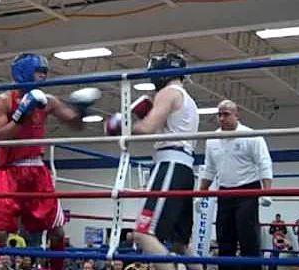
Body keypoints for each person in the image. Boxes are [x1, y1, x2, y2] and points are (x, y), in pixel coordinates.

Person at [0, 53, 101, 270]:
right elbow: (0, 136)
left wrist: (81, 109)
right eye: (39, 72)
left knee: (58, 231)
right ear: (24, 72)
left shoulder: (48, 101)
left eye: (45, 73)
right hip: (9, 171)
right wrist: (21, 114)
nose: (43, 77)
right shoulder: (1, 101)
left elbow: (75, 125)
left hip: (36, 169)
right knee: (0, 231)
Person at [105, 53, 200, 270]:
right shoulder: (188, 99)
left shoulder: (168, 93)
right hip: (185, 169)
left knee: (143, 234)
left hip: (170, 165)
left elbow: (147, 128)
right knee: (180, 244)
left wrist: (121, 126)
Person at [198, 99, 273, 270]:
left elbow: (264, 163)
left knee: (248, 238)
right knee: (224, 238)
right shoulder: (212, 140)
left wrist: (267, 192)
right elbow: (209, 169)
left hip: (248, 189)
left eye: (226, 114)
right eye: (219, 115)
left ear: (236, 115)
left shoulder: (251, 135)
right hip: (224, 191)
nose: (222, 118)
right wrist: (200, 194)